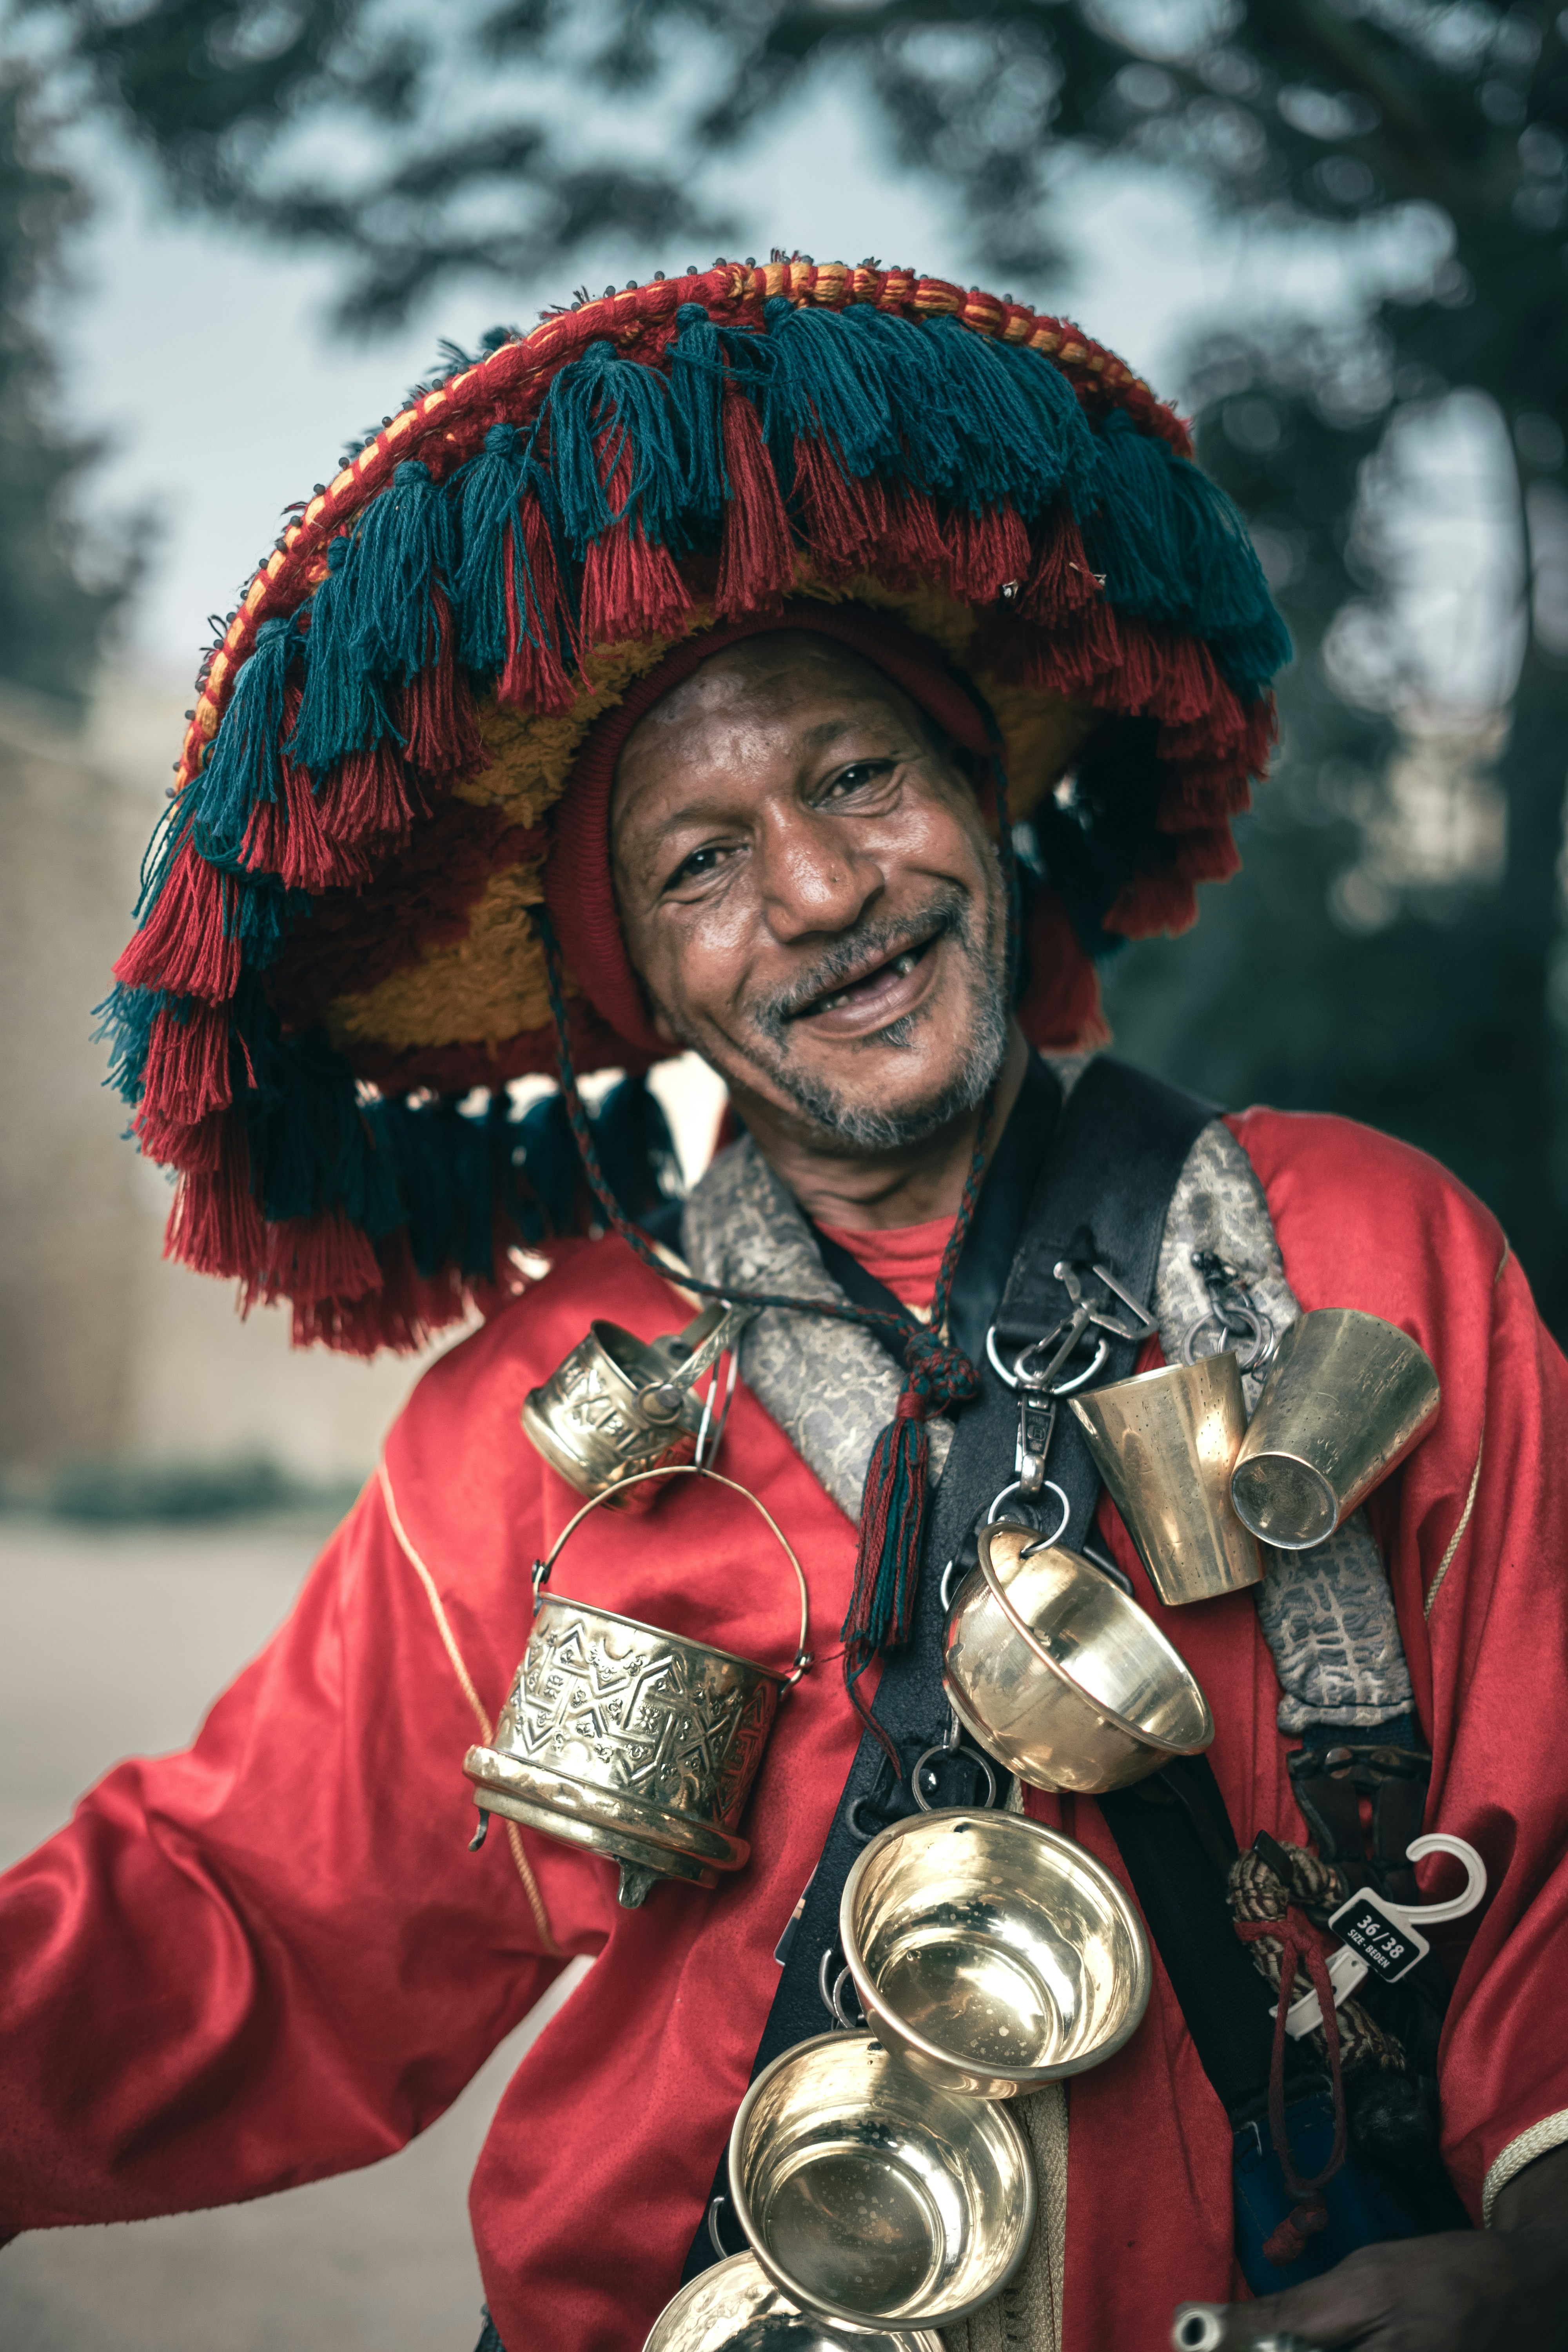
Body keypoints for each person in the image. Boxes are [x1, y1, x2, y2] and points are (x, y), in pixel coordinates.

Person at [2, 256, 1565, 2352]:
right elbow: (256, 1917)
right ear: (635, 982)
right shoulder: (533, 1416)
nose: (822, 898)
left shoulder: (1367, 1253)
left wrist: (1538, 2258)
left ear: (984, 805)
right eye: (701, 864)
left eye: (854, 781)